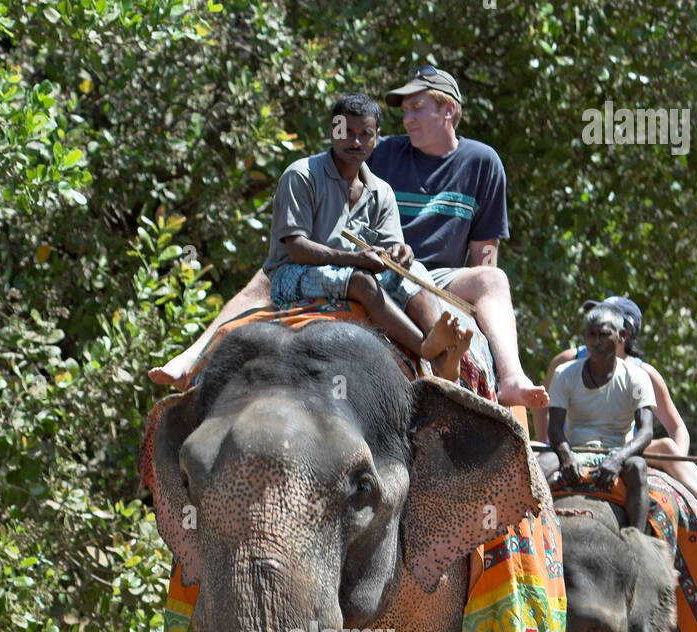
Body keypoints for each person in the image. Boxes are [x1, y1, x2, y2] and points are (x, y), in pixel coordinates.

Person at [149, 67, 546, 408]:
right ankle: (193, 354)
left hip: (432, 274)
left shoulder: (482, 161)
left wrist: (469, 318)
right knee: (270, 273)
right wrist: (362, 257)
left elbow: (485, 254)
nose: (407, 119)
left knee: (492, 279)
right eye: (403, 110)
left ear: (448, 109)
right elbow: (327, 188)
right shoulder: (379, 151)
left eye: (417, 107)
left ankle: (509, 375)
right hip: (359, 261)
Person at [263, 93, 471, 380]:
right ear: (332, 130)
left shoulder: (381, 191)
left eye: (365, 134)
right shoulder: (301, 175)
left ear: (377, 137)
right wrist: (355, 259)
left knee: (416, 270)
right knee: (360, 281)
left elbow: (391, 247)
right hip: (294, 273)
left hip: (352, 267)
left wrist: (401, 253)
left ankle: (444, 351)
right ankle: (427, 350)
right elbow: (297, 249)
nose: (355, 141)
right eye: (346, 132)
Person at [533, 295, 697, 538]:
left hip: (626, 447)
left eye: (605, 328)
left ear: (623, 334)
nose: (597, 338)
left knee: (666, 446)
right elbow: (543, 405)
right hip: (573, 442)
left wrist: (675, 466)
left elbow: (675, 427)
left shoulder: (641, 374)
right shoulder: (567, 364)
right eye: (592, 330)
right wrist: (550, 445)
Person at [538, 302, 655, 531]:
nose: (596, 342)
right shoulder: (564, 374)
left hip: (617, 453)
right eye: (591, 335)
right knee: (538, 466)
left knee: (638, 467)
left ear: (621, 336)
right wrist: (566, 456)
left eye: (603, 334)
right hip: (575, 450)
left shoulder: (637, 377)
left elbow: (646, 431)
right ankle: (530, 534)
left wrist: (617, 459)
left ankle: (637, 540)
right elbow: (555, 429)